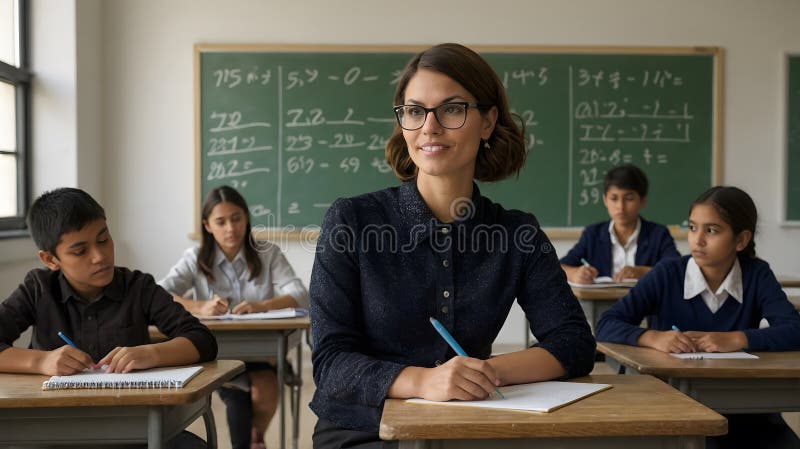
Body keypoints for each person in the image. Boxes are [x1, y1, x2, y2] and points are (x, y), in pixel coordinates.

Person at [309, 43, 596, 449]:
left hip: (469, 425)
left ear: (487, 121)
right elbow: (331, 362)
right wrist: (424, 381)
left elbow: (574, 343)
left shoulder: (517, 233)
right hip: (365, 430)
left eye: (452, 108)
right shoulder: (352, 221)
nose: (429, 126)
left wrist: (482, 373)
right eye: (414, 111)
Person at [0, 187, 217, 449]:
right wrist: (42, 360)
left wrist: (151, 353)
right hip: (53, 428)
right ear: (50, 259)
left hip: (134, 427)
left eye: (103, 239)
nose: (100, 257)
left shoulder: (138, 287)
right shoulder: (38, 289)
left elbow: (203, 339)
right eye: (80, 251)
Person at [596, 186, 800, 449]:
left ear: (741, 240)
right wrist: (652, 337)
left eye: (711, 230)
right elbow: (606, 323)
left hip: (746, 411)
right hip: (674, 403)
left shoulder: (757, 274)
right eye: (693, 228)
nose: (698, 240)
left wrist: (738, 338)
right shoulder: (667, 272)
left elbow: (794, 329)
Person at [160, 185, 309, 449]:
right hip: (217, 351)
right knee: (238, 393)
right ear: (207, 225)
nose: (231, 228)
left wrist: (262, 306)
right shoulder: (195, 257)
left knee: (264, 390)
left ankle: (255, 435)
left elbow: (299, 293)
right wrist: (200, 306)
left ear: (246, 218)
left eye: (236, 218)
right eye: (221, 221)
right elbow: (160, 294)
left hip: (262, 351)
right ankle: (251, 441)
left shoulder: (267, 252)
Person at [560, 163, 680, 284]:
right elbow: (559, 266)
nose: (620, 207)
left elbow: (677, 268)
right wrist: (574, 273)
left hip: (647, 303)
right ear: (605, 200)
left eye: (629, 198)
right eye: (614, 198)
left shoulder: (658, 234)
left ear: (642, 201)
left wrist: (642, 271)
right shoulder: (593, 234)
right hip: (601, 301)